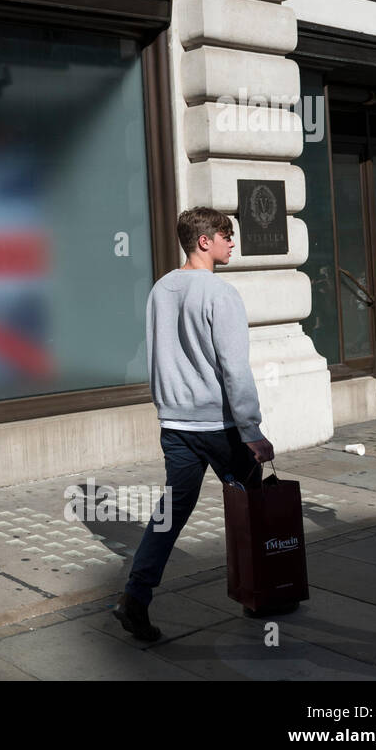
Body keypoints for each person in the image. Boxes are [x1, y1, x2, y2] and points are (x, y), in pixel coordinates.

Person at [113, 207, 276, 641]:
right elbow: (235, 370)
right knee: (253, 509)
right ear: (204, 241)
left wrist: (166, 407)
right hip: (219, 427)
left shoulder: (160, 289)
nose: (232, 242)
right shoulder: (221, 294)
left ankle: (135, 597)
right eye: (227, 234)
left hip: (175, 426)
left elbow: (157, 358)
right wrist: (252, 431)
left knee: (169, 515)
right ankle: (263, 593)